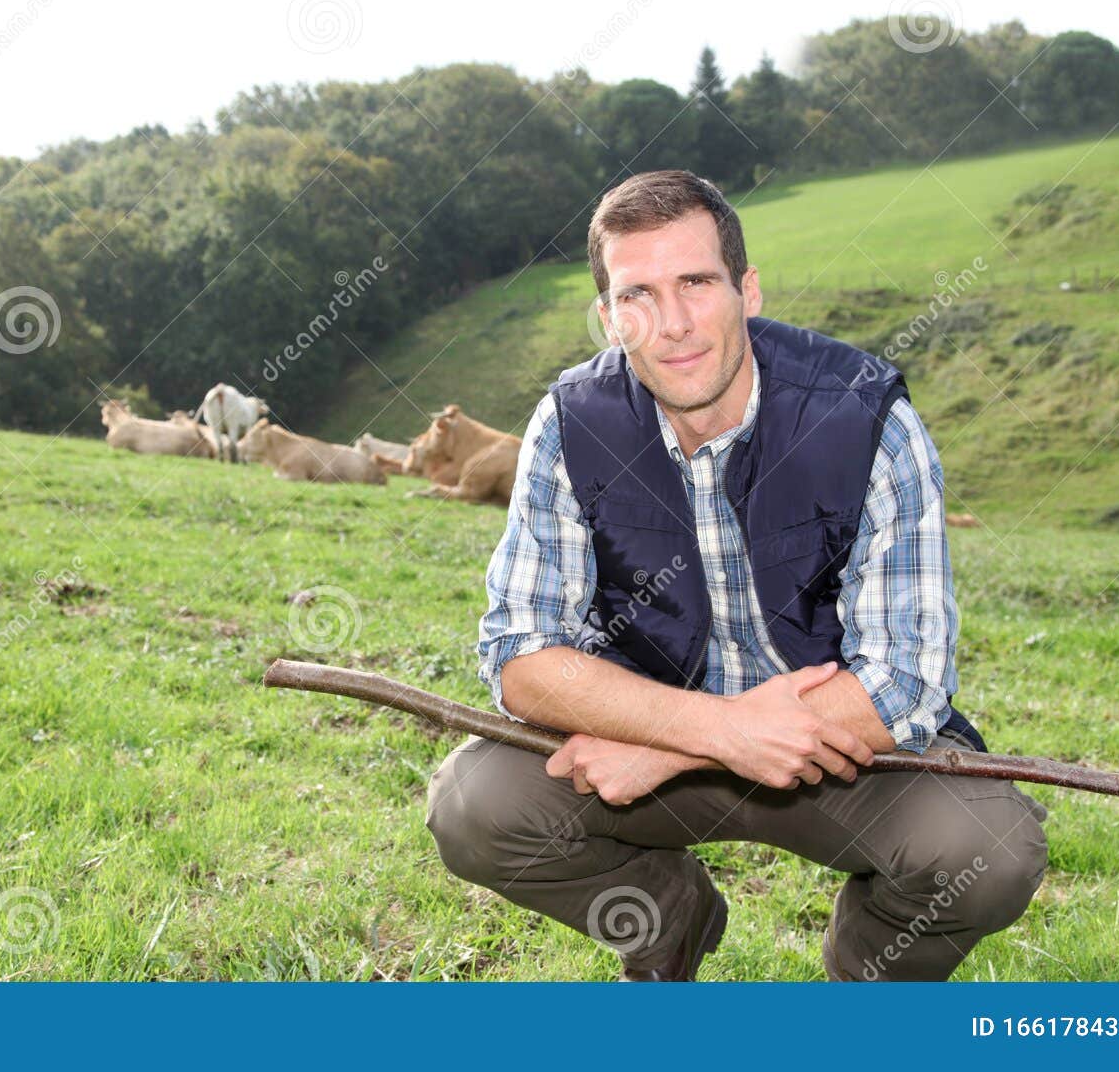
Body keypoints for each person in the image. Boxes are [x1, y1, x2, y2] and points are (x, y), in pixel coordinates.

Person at [424, 169, 1048, 982]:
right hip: (642, 752)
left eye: (696, 282)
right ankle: (665, 918)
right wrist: (716, 731)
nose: (674, 323)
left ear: (747, 290)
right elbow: (518, 655)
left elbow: (906, 679)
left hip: (836, 757)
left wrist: (678, 747)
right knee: (474, 805)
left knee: (988, 850)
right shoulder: (571, 423)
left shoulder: (866, 418)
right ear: (611, 318)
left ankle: (868, 977)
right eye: (639, 294)